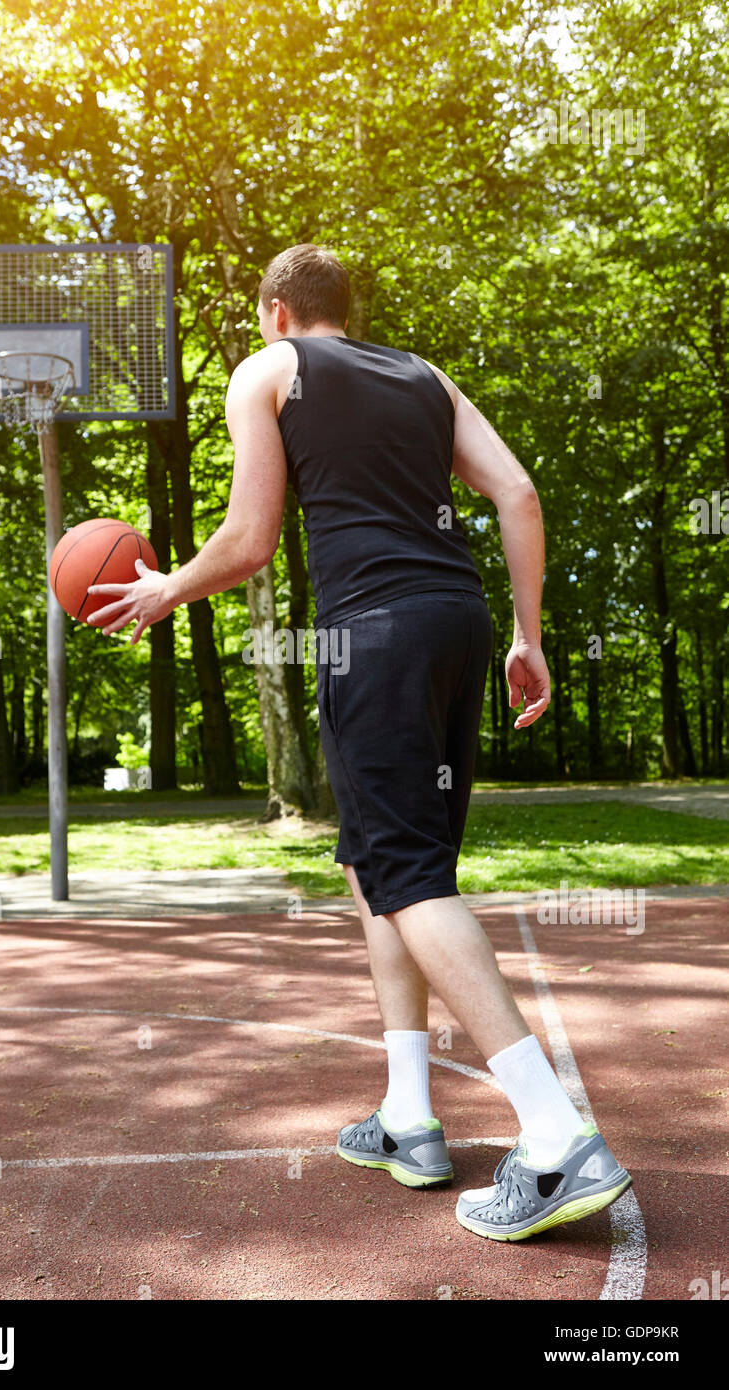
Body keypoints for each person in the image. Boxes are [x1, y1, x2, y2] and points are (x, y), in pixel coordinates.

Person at [88, 243, 632, 1241]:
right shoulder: (424, 376)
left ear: (274, 312)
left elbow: (251, 539)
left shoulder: (269, 370)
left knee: (408, 873)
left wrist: (167, 586)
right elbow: (515, 494)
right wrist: (525, 633)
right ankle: (407, 1114)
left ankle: (555, 1135)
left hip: (372, 631)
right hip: (455, 621)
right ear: (345, 308)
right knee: (372, 862)